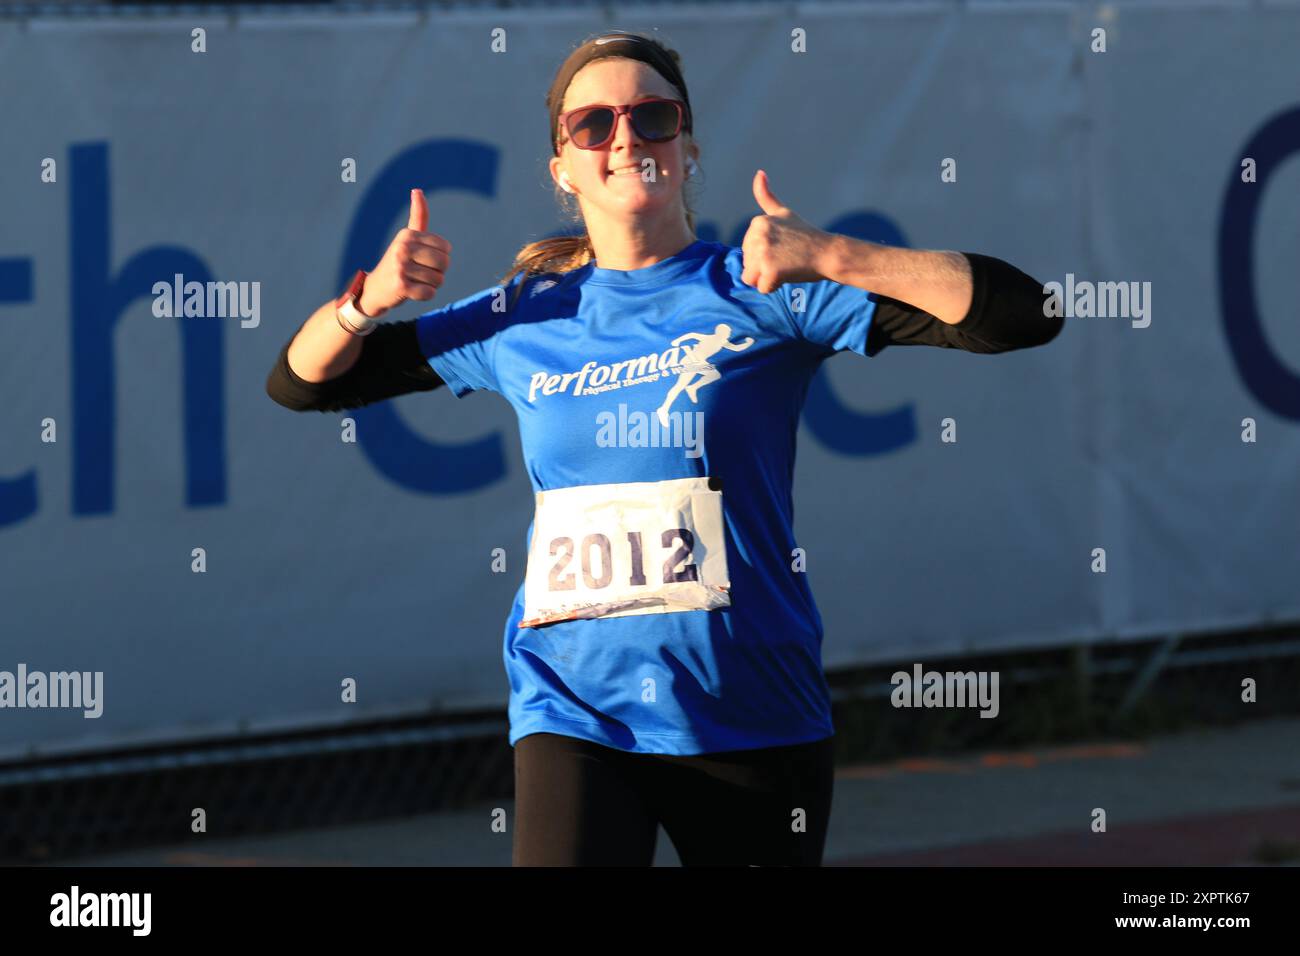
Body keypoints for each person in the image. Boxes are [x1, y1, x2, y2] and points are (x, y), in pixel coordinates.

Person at [266, 31, 1062, 866]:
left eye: (652, 117)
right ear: (562, 170)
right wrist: (370, 301)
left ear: (686, 145)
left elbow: (1026, 314)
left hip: (748, 706)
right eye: (592, 126)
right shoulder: (519, 316)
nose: (625, 140)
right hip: (574, 708)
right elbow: (305, 383)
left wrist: (832, 255)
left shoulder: (759, 289)